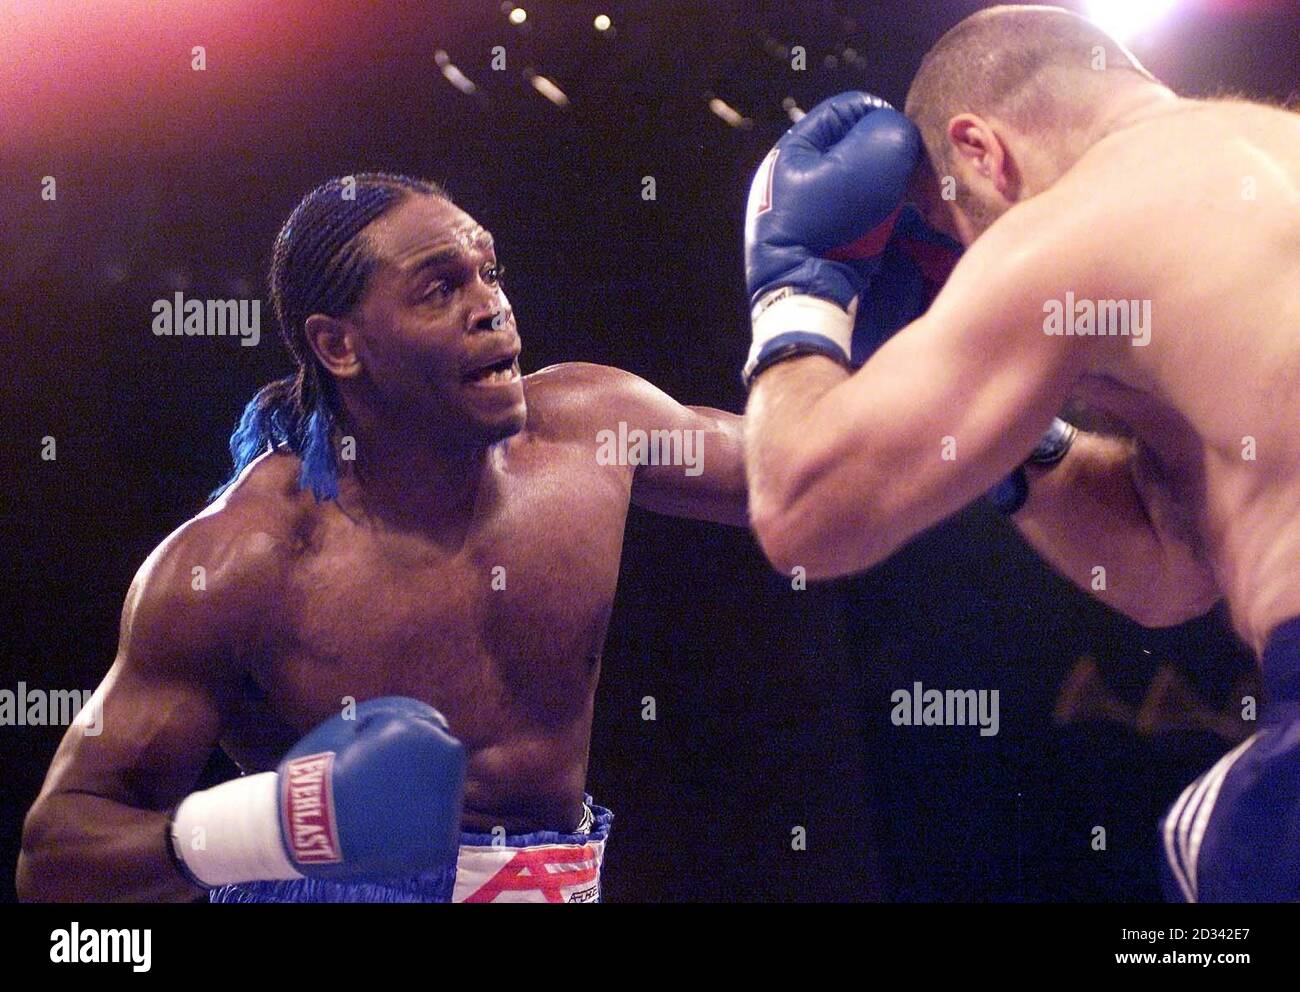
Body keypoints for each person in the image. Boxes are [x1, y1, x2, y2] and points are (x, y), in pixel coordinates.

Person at [19, 173, 749, 903]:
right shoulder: (241, 563)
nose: (491, 307)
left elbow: (813, 472)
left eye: (489, 273)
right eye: (440, 288)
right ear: (338, 345)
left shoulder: (594, 431)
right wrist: (276, 827)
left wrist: (806, 300)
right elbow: (56, 858)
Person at [740, 6, 1300, 901]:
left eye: (955, 226)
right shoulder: (1261, 162)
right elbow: (1173, 573)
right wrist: (1002, 443)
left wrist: (797, 289)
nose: (970, 262)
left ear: (980, 153)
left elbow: (803, 511)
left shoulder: (1072, 221)